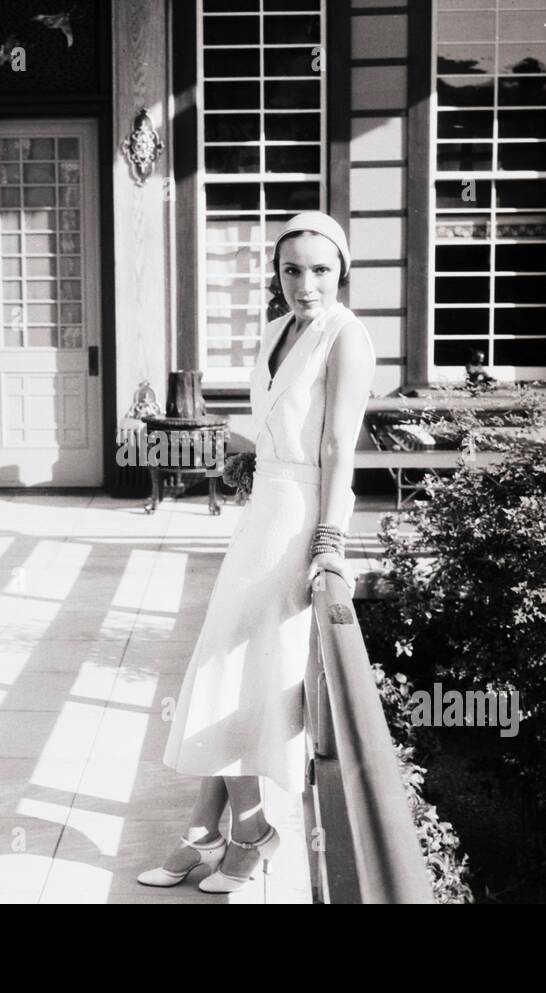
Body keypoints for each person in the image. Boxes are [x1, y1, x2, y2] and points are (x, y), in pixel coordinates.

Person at [139, 211, 375, 893]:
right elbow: (269, 425)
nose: (306, 284)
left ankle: (249, 831)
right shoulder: (276, 331)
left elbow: (336, 448)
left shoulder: (347, 337)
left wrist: (329, 542)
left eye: (321, 270)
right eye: (292, 269)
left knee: (228, 665)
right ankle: (207, 829)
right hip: (261, 509)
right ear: (277, 272)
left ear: (342, 270)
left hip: (299, 518)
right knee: (227, 665)